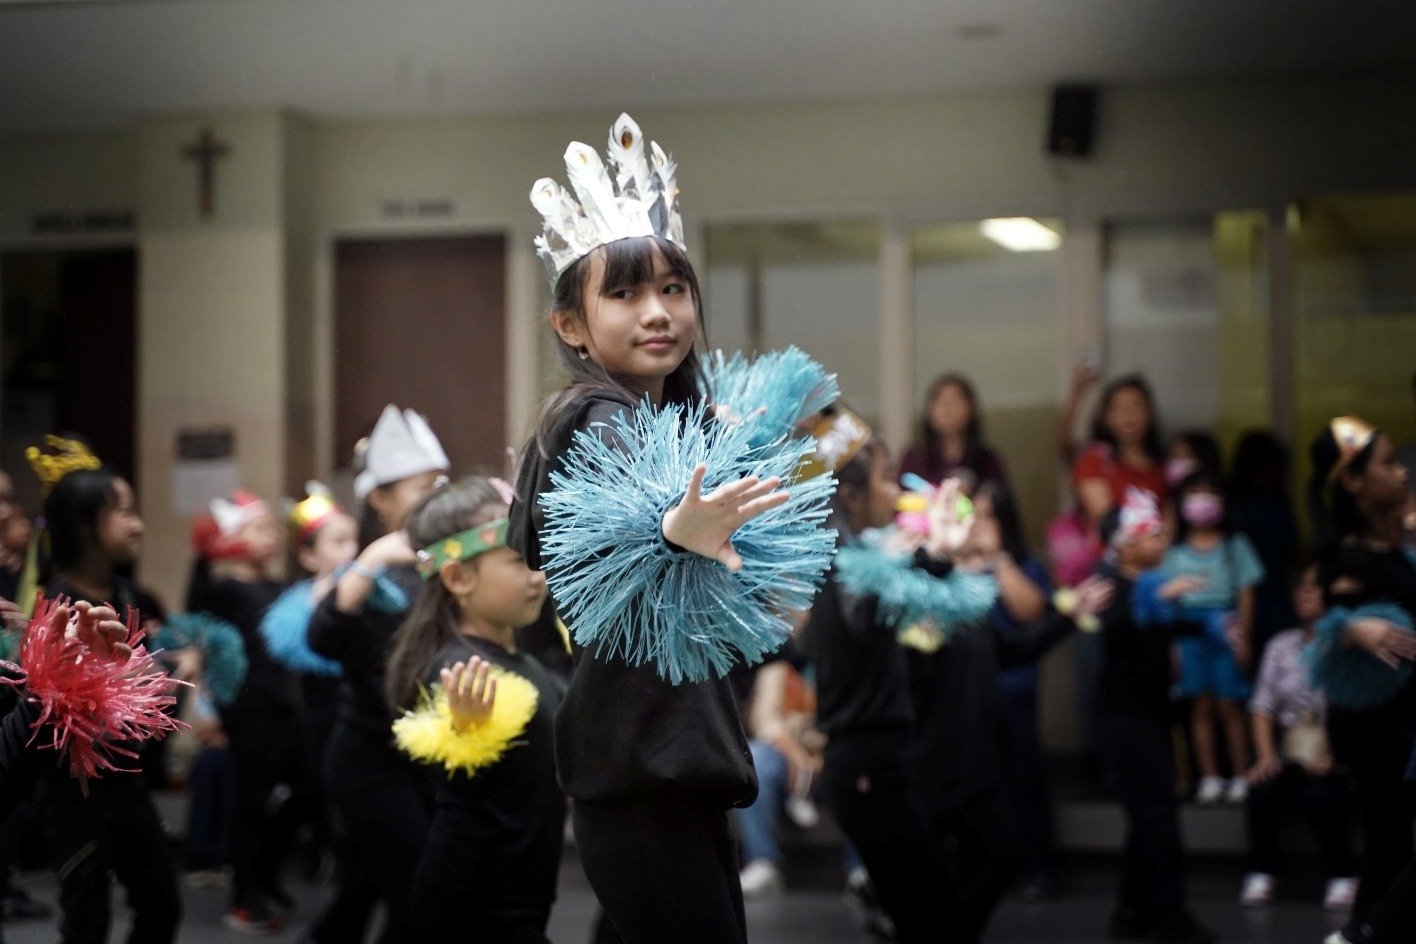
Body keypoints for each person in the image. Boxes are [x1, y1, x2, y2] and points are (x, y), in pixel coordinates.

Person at [509, 114, 835, 944]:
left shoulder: (662, 416)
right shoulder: (598, 415)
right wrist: (669, 530)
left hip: (660, 768)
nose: (657, 312)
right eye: (623, 294)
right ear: (571, 325)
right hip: (643, 773)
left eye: (673, 290)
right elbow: (625, 525)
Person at [385, 477, 563, 942]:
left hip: (519, 897)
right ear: (458, 578)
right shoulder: (463, 673)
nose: (538, 574)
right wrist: (463, 738)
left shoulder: (522, 663)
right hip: (476, 909)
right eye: (519, 560)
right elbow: (459, 790)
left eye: (537, 557)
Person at [28, 440, 182, 944]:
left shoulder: (132, 595)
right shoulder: (58, 608)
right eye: (123, 511)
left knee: (161, 903)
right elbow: (48, 709)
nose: (138, 524)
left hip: (127, 780)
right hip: (73, 787)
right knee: (86, 920)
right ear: (82, 525)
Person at [306, 405, 449, 944]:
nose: (437, 494)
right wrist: (370, 561)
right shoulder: (370, 566)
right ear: (380, 499)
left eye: (441, 483)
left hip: (428, 756)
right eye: (423, 487)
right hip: (371, 759)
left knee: (374, 891)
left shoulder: (443, 558)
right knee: (415, 897)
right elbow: (322, 639)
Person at [1306, 417, 1416, 944]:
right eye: (1388, 464)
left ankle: (1360, 933)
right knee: (1389, 841)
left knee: (1390, 846)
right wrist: (1351, 630)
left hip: (1403, 718)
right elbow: (1334, 626)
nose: (1401, 472)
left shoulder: (1395, 550)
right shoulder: (1348, 560)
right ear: (1353, 481)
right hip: (1379, 724)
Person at [1093, 488, 1217, 944]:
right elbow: (1117, 623)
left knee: (1153, 817)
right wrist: (1158, 594)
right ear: (1126, 545)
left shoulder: (1146, 584)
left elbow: (1161, 626)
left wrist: (1210, 626)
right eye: (1153, 534)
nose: (1163, 541)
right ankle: (1164, 911)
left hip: (1150, 714)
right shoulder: (1112, 584)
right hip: (1124, 721)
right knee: (1155, 816)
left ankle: (1134, 911)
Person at [188, 490, 308, 933]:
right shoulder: (223, 591)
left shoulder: (278, 587)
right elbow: (197, 615)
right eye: (259, 528)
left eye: (271, 528)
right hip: (246, 707)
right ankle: (245, 896)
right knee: (251, 803)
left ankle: (267, 876)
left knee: (306, 792)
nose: (270, 536)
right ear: (235, 536)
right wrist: (205, 553)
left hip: (285, 704)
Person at [1239, 564, 1358, 910]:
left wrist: (1336, 755)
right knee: (1262, 788)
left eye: (1314, 587)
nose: (1304, 594)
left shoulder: (1348, 645)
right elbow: (1262, 706)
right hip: (1292, 747)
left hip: (1338, 751)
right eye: (1300, 587)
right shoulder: (1281, 644)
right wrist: (1266, 756)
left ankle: (1344, 873)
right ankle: (1262, 871)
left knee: (1320, 796)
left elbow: (1359, 706)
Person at [1164, 469, 1263, 805]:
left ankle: (1240, 774)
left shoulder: (1235, 546)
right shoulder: (1173, 551)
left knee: (1229, 704)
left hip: (1226, 627)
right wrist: (1172, 646)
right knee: (1200, 705)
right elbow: (1167, 601)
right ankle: (1209, 777)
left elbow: (1246, 593)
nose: (1201, 501)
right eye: (1194, 493)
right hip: (1187, 631)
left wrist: (1244, 636)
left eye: (1209, 493)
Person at [1229, 431, 1301, 657]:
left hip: (1271, 595)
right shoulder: (1266, 507)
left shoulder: (1272, 505)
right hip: (1257, 596)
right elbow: (1294, 552)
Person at [1072, 374, 1168, 528]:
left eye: (1135, 405)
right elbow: (1107, 521)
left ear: (1150, 413)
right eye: (1118, 407)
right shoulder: (1095, 461)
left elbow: (1170, 518)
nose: (1127, 414)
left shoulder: (1164, 467)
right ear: (1106, 417)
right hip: (1118, 541)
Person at [898, 373, 1011, 493]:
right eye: (939, 399)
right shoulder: (914, 458)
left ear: (970, 408)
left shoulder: (987, 459)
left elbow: (1002, 497)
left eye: (955, 399)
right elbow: (900, 497)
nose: (947, 406)